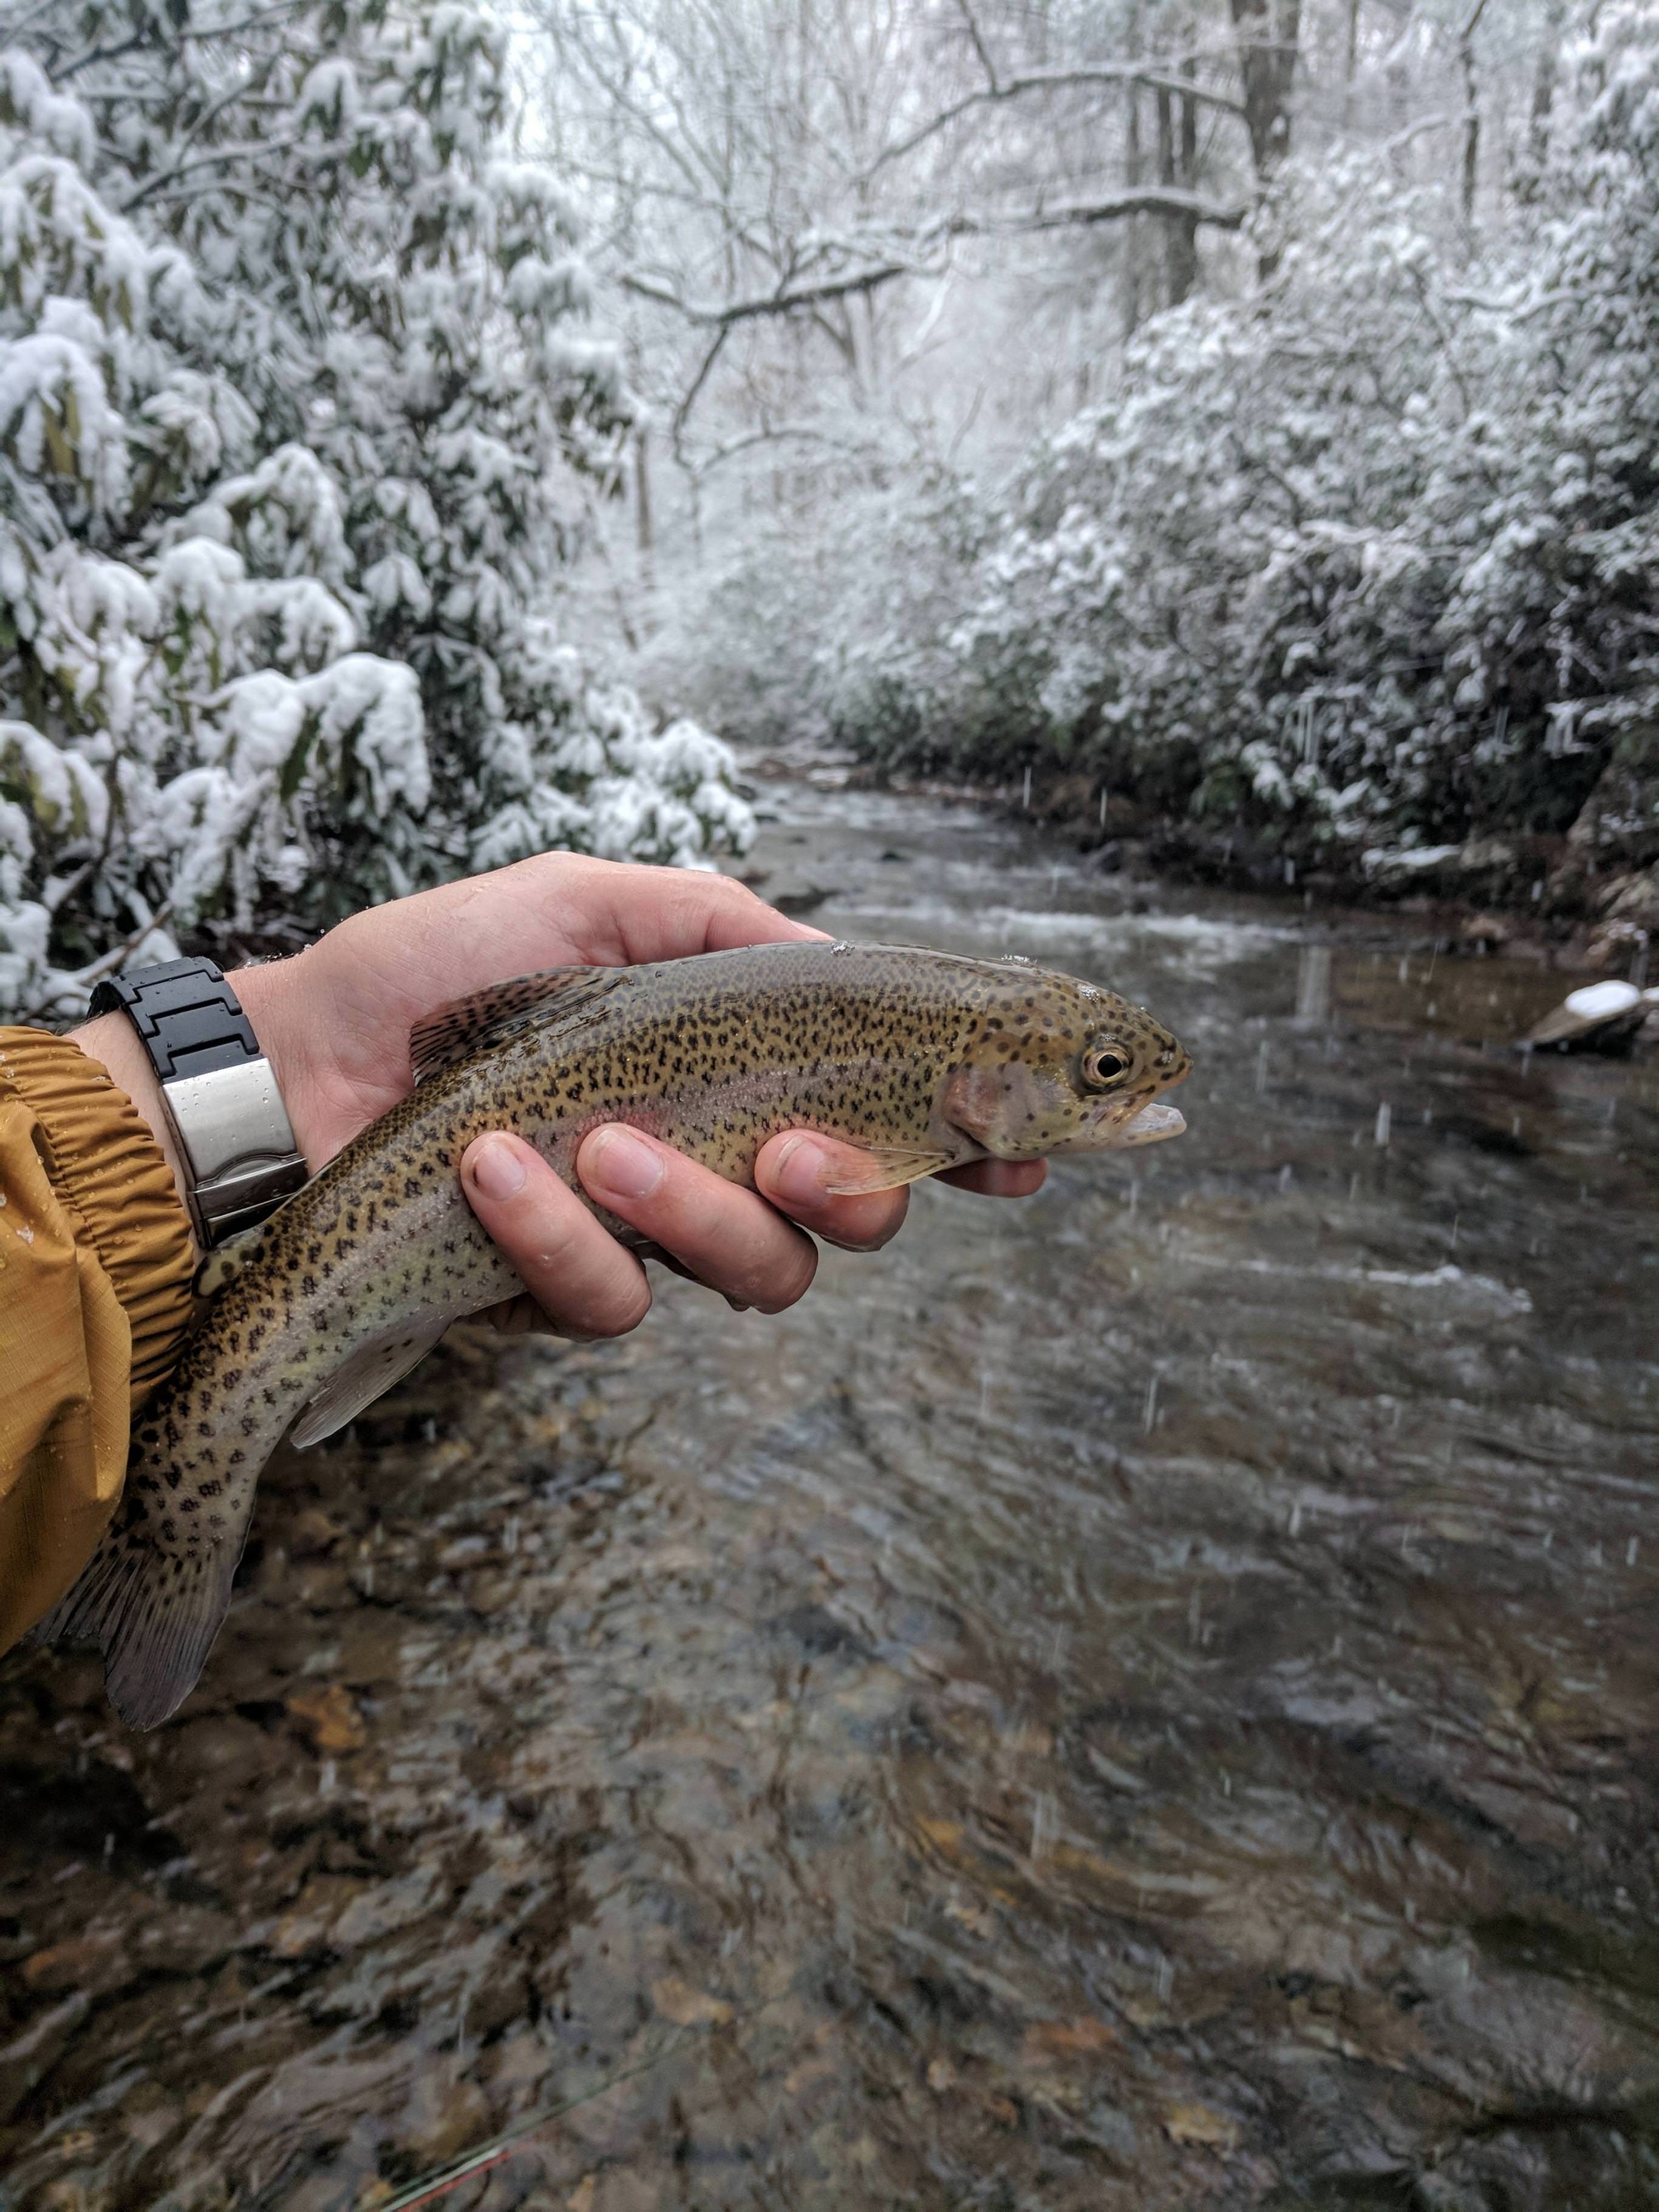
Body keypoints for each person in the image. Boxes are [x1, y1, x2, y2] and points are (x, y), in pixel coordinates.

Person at [0, 853, 1044, 1656]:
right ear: (980, 1084)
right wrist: (295, 1055)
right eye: (1102, 1072)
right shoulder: (914, 1042)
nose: (1117, 1094)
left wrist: (278, 1050)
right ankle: (173, 1516)